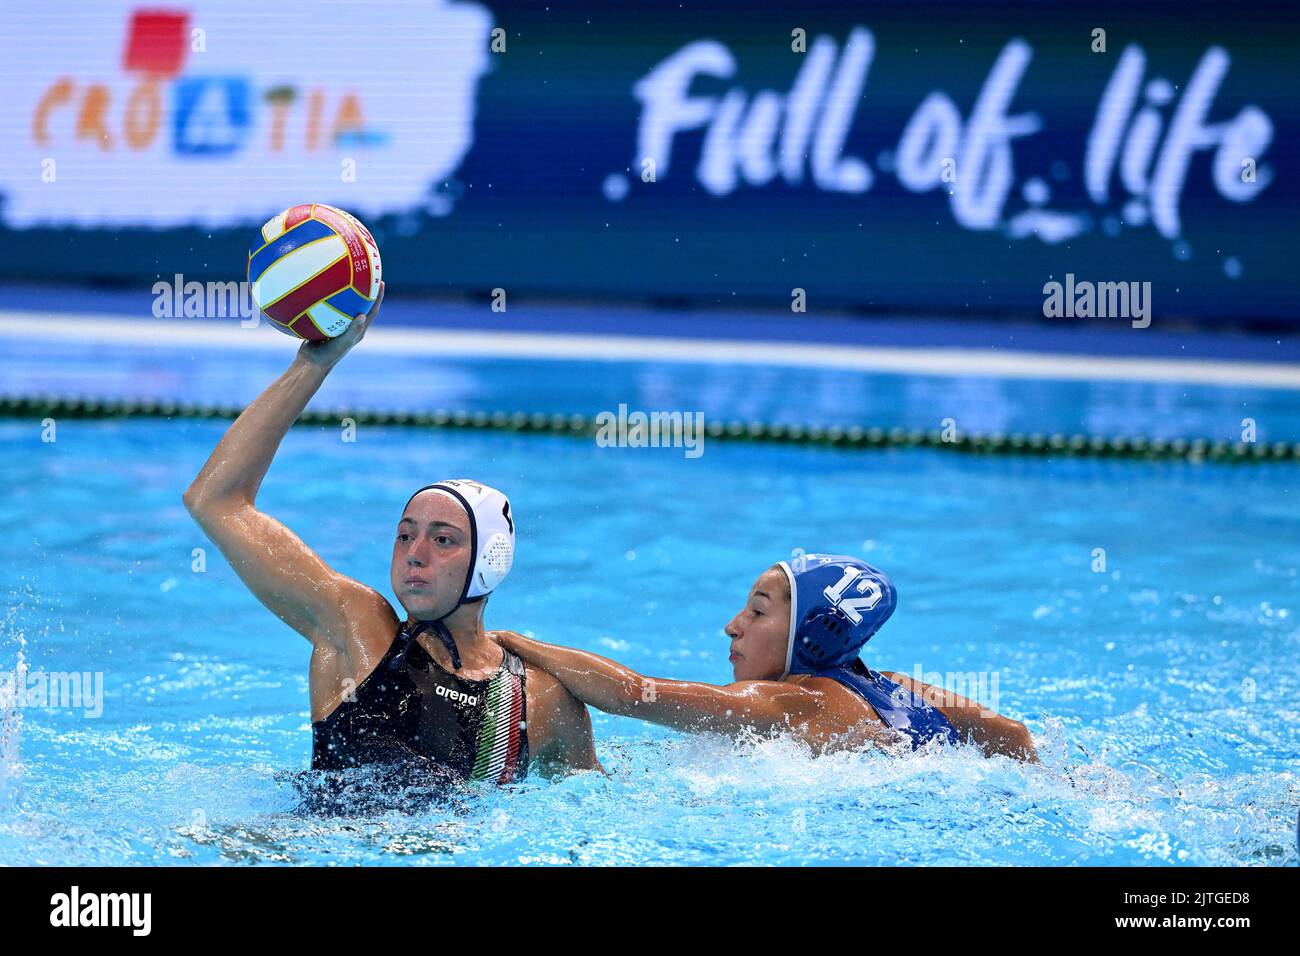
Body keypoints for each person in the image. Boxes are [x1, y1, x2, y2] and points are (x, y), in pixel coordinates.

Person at [183, 283, 600, 785]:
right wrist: (312, 366)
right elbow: (215, 500)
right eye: (405, 535)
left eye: (442, 539)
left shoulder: (540, 698)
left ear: (489, 558)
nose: (414, 554)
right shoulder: (357, 627)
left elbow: (596, 812)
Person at [493, 554, 1039, 762]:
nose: (733, 626)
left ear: (812, 635)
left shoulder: (789, 702)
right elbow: (1014, 737)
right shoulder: (898, 687)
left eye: (757, 612)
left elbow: (634, 694)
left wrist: (514, 641)